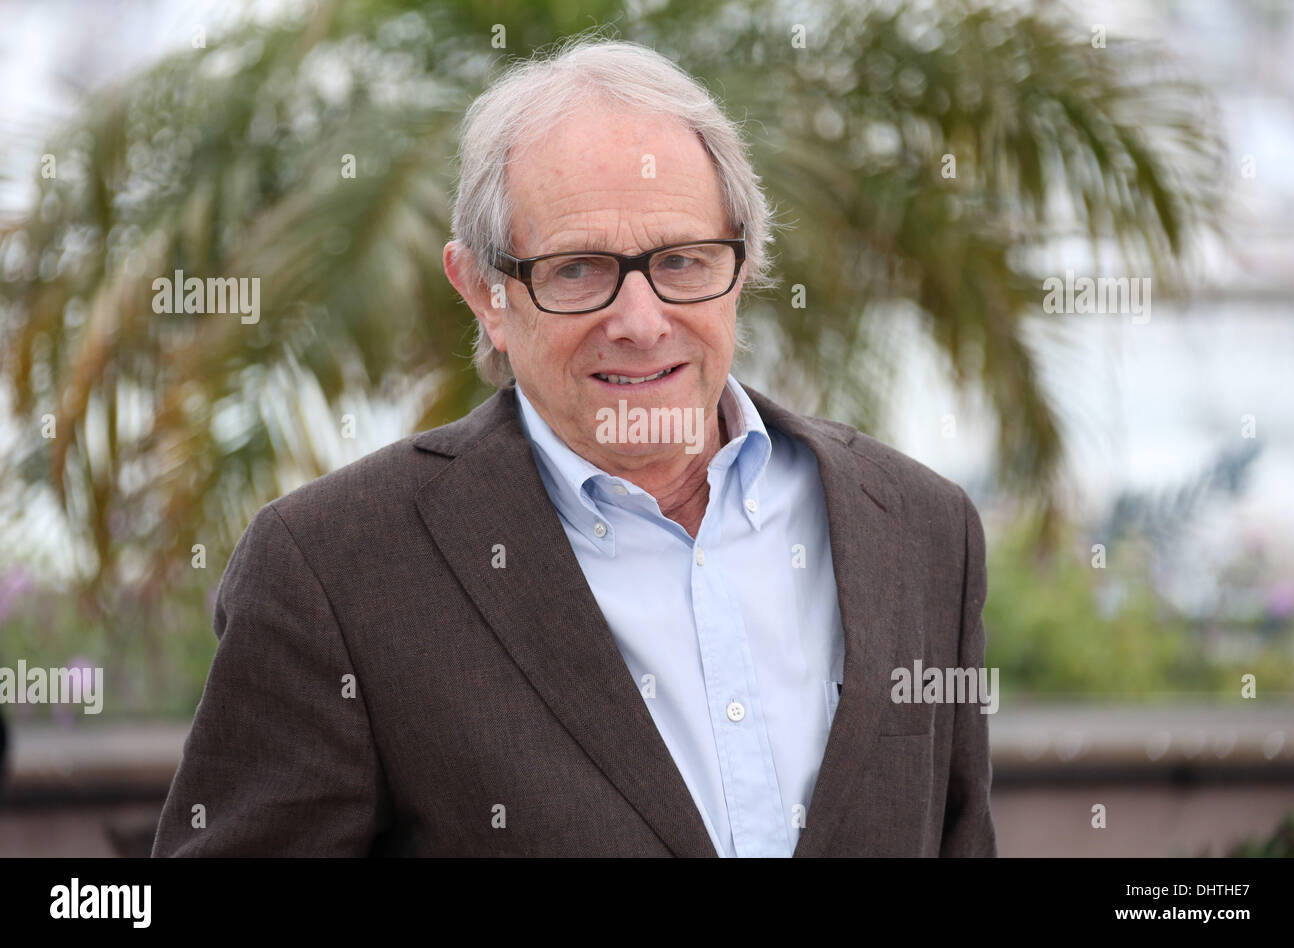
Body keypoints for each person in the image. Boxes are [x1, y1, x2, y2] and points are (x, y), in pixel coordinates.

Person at [152, 37, 996, 858]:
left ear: (741, 267)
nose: (638, 321)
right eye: (578, 270)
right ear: (484, 292)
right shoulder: (333, 571)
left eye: (684, 260)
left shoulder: (923, 532)